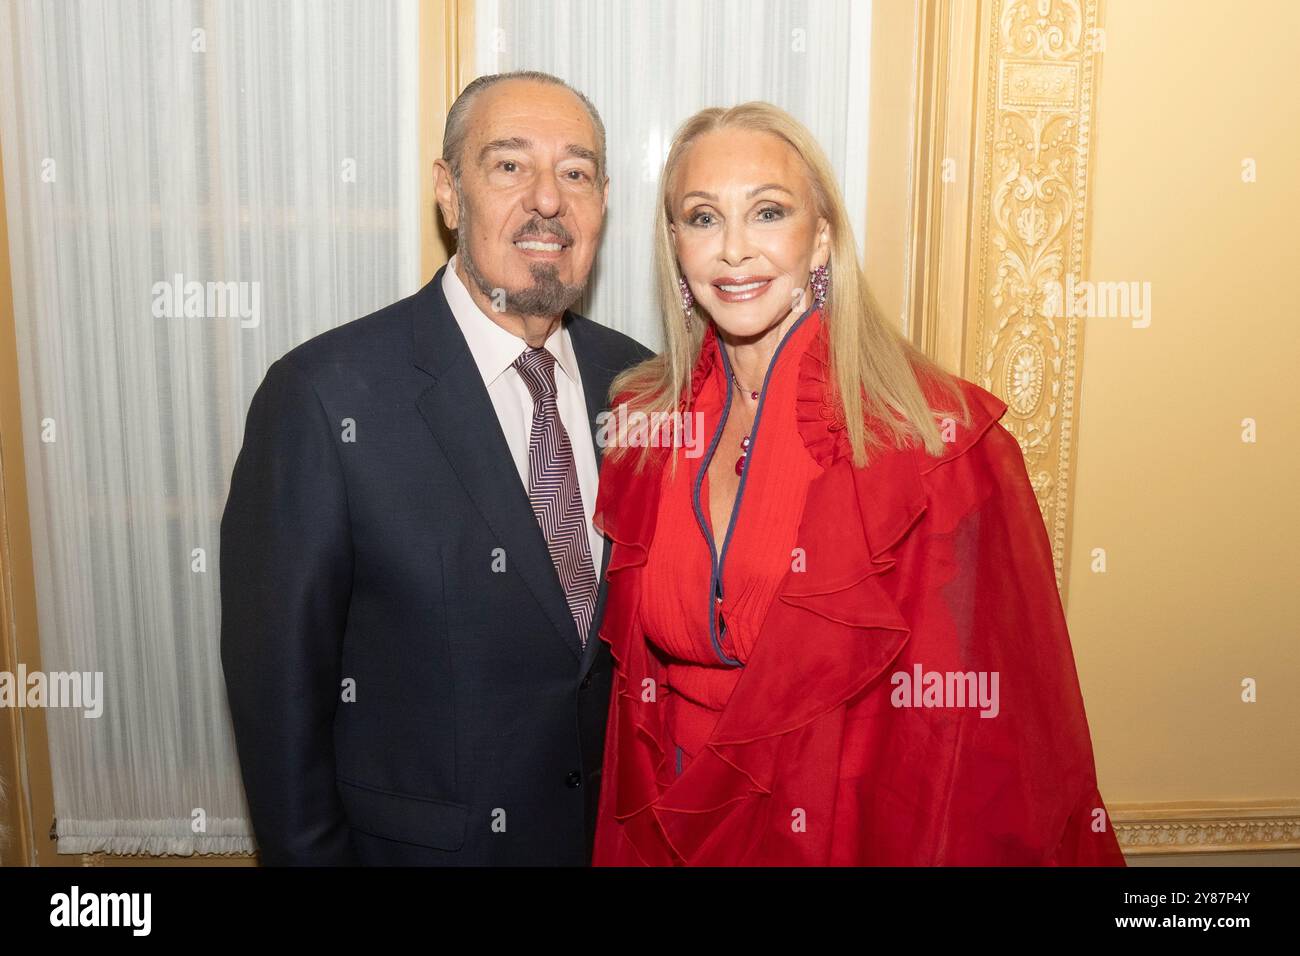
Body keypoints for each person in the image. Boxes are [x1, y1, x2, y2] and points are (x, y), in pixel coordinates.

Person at [590, 102, 1127, 866]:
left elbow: (977, 738)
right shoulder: (642, 426)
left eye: (768, 212)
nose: (734, 250)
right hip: (667, 822)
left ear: (823, 238)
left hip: (838, 828)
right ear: (676, 249)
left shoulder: (930, 438)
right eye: (702, 218)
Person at [220, 71, 650, 865]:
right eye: (510, 165)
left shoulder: (642, 389)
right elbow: (282, 705)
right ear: (449, 193)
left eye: (576, 172)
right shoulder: (322, 399)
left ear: (602, 204)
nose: (548, 200)